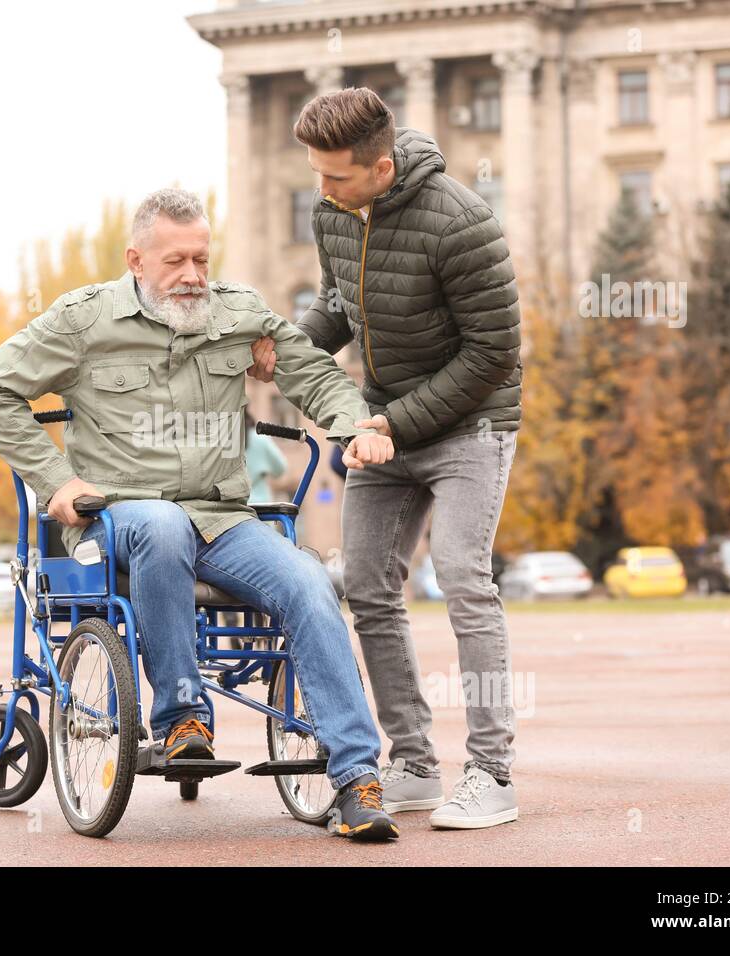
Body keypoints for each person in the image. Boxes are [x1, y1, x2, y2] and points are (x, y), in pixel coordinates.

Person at [0, 187, 399, 840]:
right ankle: (181, 720)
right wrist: (54, 480)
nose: (193, 275)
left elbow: (312, 373)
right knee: (163, 527)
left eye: (202, 258)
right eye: (176, 261)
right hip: (118, 520)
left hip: (224, 522)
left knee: (311, 580)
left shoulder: (237, 314)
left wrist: (353, 426)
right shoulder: (85, 320)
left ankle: (356, 777)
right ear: (136, 259)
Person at [248, 88, 523, 830]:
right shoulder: (333, 211)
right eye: (315, 173)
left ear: (380, 165)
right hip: (382, 426)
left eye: (335, 176)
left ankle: (493, 775)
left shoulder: (463, 223)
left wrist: (393, 424)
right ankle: (413, 763)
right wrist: (291, 348)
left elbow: (494, 353)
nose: (322, 188)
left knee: (465, 579)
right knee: (367, 585)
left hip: (471, 425)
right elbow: (341, 304)